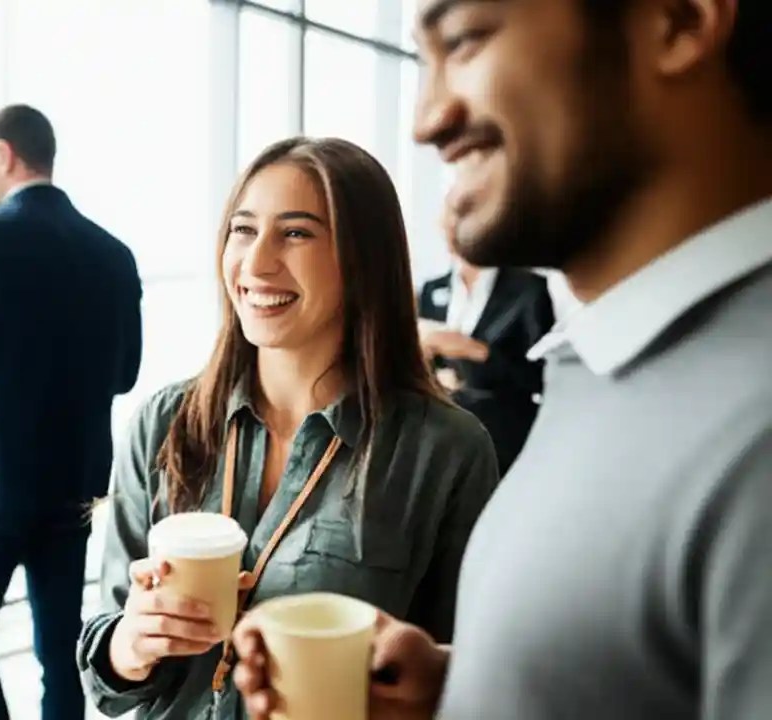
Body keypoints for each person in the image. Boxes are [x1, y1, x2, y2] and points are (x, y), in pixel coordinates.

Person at [234, 1, 772, 718]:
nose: (427, 119)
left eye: (464, 40)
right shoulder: (603, 366)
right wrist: (456, 687)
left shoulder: (752, 426)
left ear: (677, 20)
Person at [77, 137, 499, 719]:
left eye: (296, 233)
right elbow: (106, 678)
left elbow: (470, 681)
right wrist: (129, 645)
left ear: (363, 259)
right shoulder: (165, 422)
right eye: (243, 230)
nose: (256, 264)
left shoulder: (445, 451)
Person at [0, 104, 143, 720]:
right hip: (71, 489)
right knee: (64, 650)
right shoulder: (113, 254)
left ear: (4, 155)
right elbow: (124, 374)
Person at [417, 207, 554, 474]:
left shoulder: (530, 289)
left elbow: (540, 378)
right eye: (445, 221)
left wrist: (476, 351)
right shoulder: (432, 289)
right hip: (440, 434)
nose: (448, 228)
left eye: (457, 219)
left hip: (502, 439)